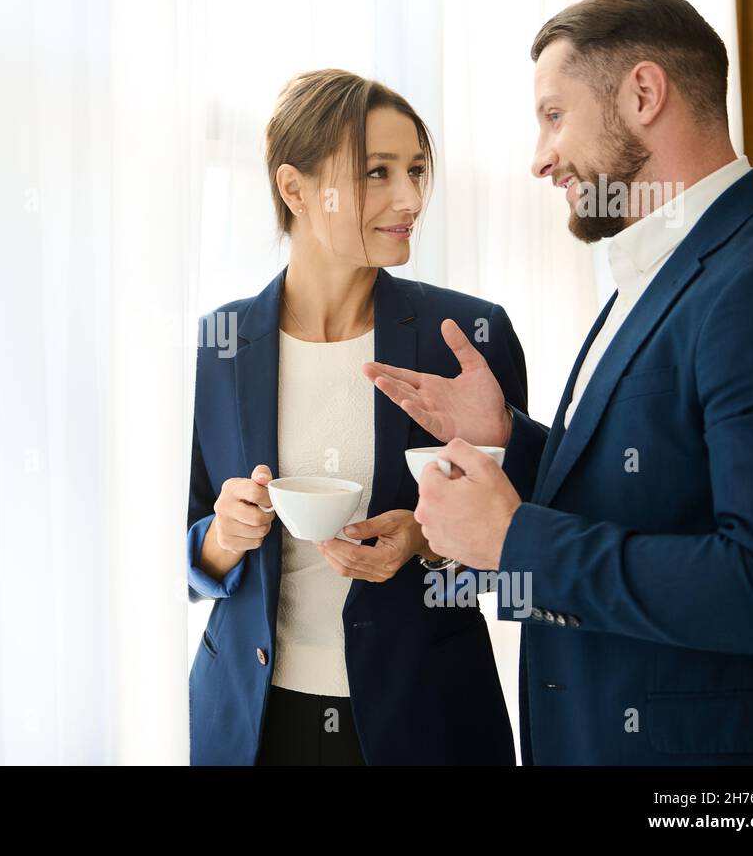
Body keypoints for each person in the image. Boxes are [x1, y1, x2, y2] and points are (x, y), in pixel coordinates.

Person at [374, 0, 753, 764]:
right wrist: (509, 442)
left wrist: (517, 540)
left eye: (555, 115)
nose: (540, 157)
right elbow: (661, 487)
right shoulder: (648, 272)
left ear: (644, 92)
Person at [186, 68, 535, 765]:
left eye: (415, 170)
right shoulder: (222, 343)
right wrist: (223, 535)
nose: (410, 198)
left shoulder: (466, 333)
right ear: (296, 189)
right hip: (252, 721)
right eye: (377, 172)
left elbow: (528, 542)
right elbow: (186, 543)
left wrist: (428, 541)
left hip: (427, 717)